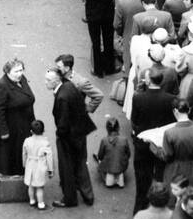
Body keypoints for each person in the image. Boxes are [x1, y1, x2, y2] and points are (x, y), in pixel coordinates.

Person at [46, 65, 96, 209]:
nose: (45, 82)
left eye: (48, 80)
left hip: (68, 137)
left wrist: (59, 135)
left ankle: (69, 198)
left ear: (56, 82)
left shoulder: (61, 98)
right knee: (80, 163)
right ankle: (88, 195)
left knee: (66, 167)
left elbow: (62, 124)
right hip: (80, 132)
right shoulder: (69, 86)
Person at [0, 58, 37, 177]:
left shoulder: (21, 79)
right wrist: (4, 131)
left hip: (23, 121)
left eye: (21, 70)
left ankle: (20, 172)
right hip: (10, 124)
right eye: (16, 71)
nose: (20, 74)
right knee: (10, 151)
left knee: (20, 148)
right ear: (7, 72)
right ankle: (12, 176)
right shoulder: (1, 86)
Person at [20, 119, 54, 210]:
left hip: (30, 164)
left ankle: (32, 200)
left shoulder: (27, 141)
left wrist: (24, 164)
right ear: (43, 131)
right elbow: (49, 157)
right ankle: (41, 203)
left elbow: (24, 153)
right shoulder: (45, 142)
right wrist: (50, 170)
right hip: (40, 166)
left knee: (30, 186)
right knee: (39, 187)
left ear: (31, 131)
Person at [95, 116, 132, 188]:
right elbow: (128, 155)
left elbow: (100, 156)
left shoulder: (104, 140)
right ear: (118, 128)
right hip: (121, 167)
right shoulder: (124, 139)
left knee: (99, 166)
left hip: (109, 167)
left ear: (107, 129)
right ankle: (119, 179)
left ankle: (106, 179)